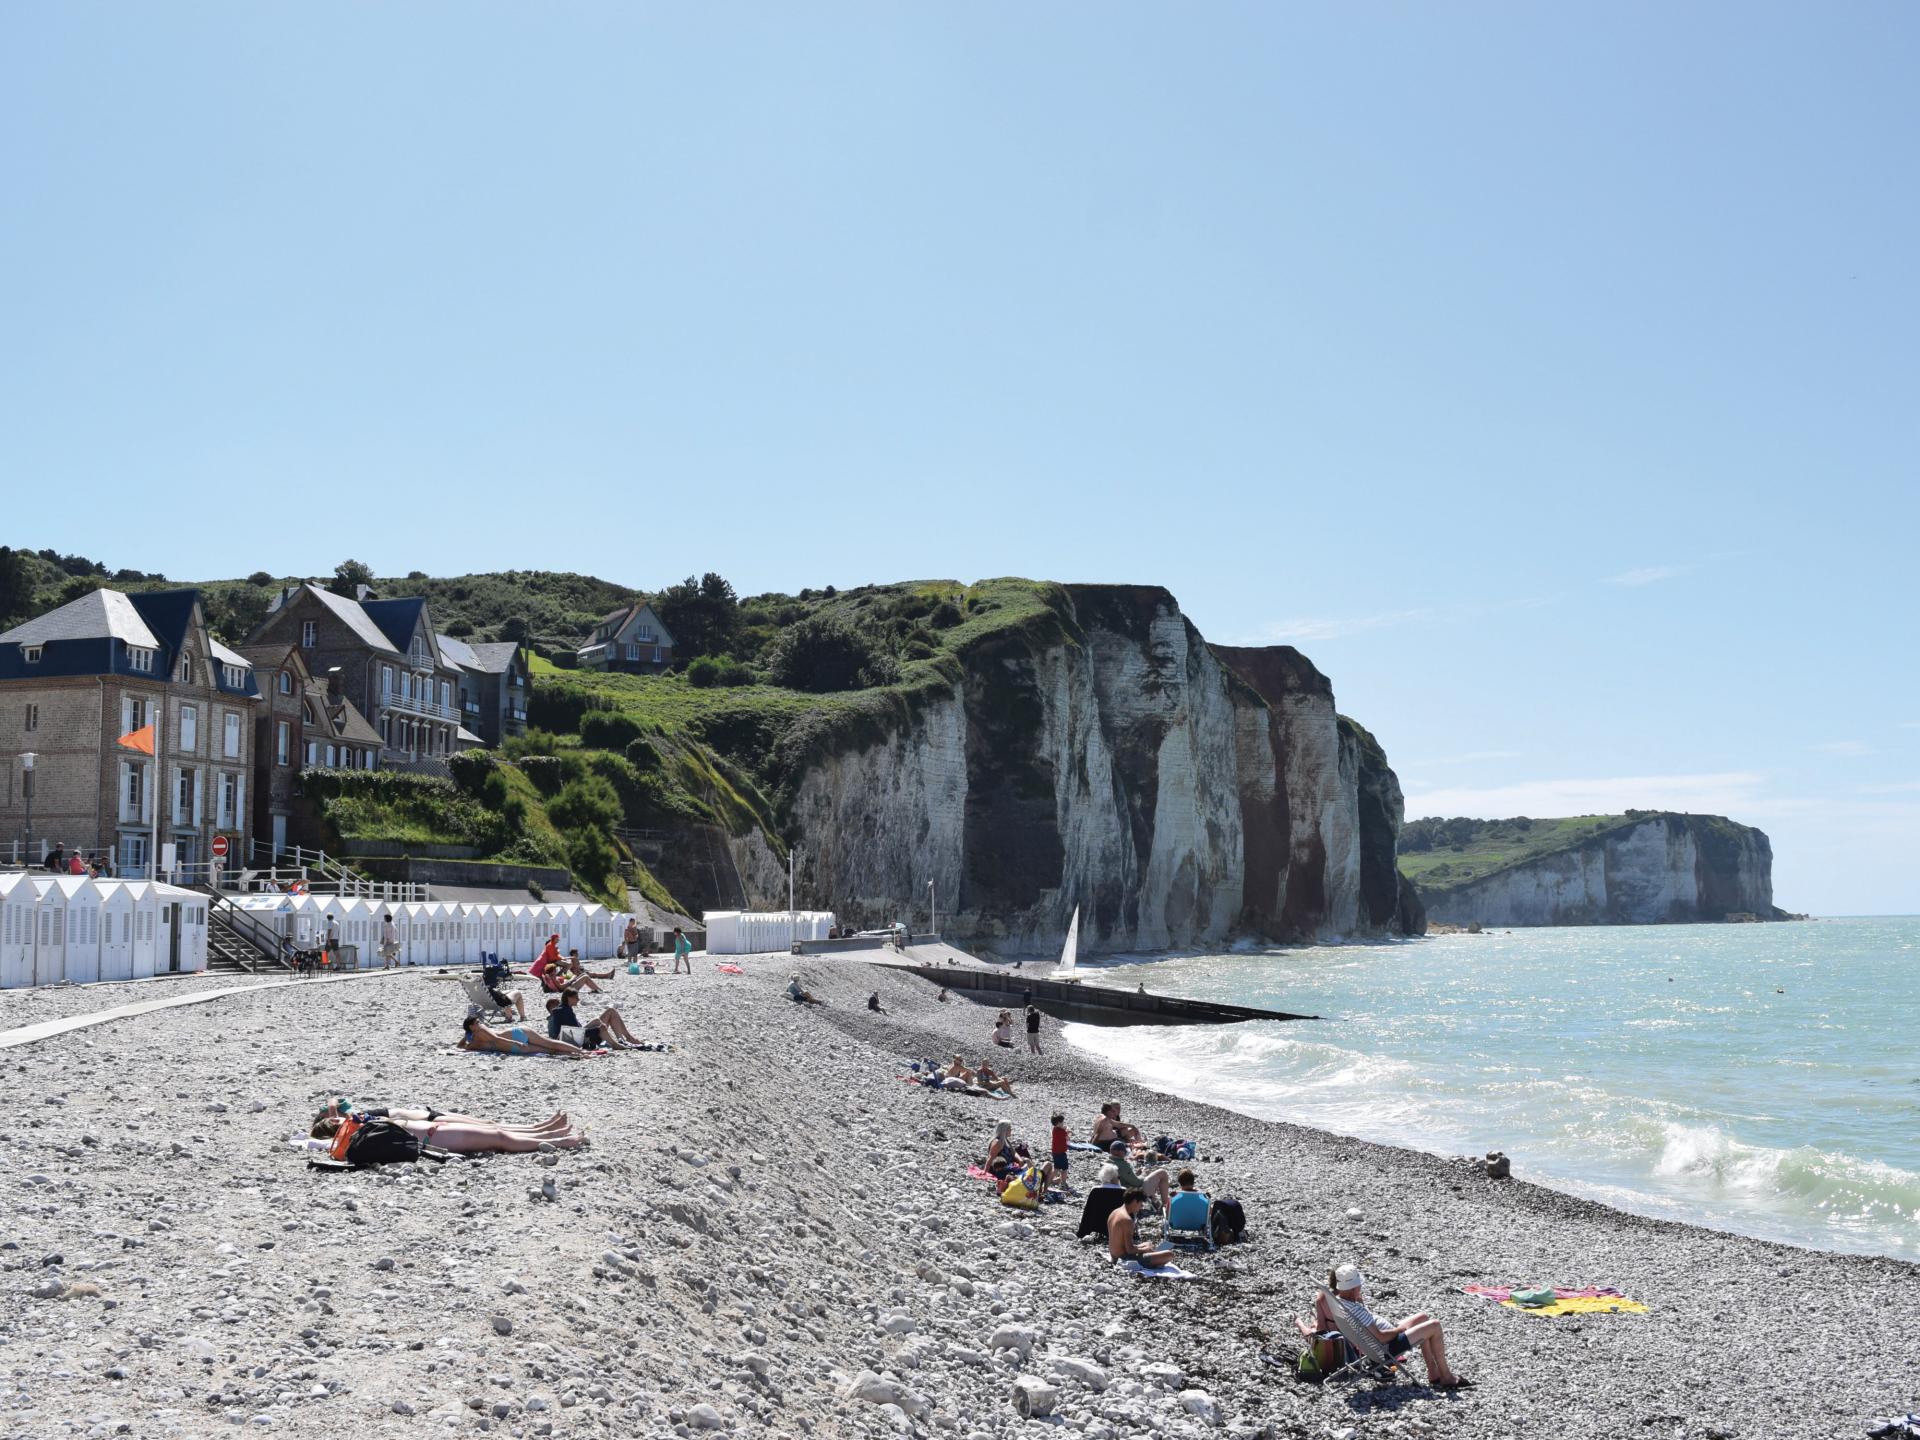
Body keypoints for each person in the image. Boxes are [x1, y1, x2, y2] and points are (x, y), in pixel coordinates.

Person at [1317, 1264, 1467, 1389]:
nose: (1361, 1287)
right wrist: (1399, 1330)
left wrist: (1358, 1300)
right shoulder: (1354, 1309)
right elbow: (1380, 1337)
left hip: (1373, 1343)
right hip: (1385, 1349)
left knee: (1423, 1317)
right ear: (1353, 1288)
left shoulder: (1340, 1302)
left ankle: (1433, 1373)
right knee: (1434, 1325)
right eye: (1359, 1285)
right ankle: (1446, 1376)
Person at [311, 1111, 585, 1155]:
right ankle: (558, 1142)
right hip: (432, 1137)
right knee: (499, 1140)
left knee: (496, 1131)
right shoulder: (354, 1132)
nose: (337, 1116)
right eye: (333, 1120)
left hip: (432, 1132)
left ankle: (546, 1132)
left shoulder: (357, 1124)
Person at [546, 987, 641, 1050]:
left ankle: (622, 1039)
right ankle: (618, 1043)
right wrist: (596, 1030)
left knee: (603, 1016)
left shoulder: (565, 1009)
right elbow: (575, 1033)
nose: (578, 1000)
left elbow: (574, 1029)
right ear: (569, 998)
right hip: (572, 1038)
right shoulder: (563, 1011)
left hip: (573, 1034)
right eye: (576, 997)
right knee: (602, 1025)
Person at [457, 1014, 586, 1058]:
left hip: (514, 1049)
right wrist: (516, 1043)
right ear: (471, 1026)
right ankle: (580, 1052)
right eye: (477, 1022)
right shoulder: (481, 1029)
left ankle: (574, 1054)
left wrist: (466, 1034)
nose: (480, 1023)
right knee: (549, 1044)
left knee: (549, 1050)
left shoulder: (473, 1044)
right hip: (516, 1037)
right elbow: (496, 1038)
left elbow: (460, 1046)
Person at [1107, 1189, 1174, 1270]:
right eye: (1141, 1204)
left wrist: (1145, 1248)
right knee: (1169, 1254)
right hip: (1124, 1258)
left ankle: (1151, 1253)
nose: (1141, 1207)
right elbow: (1130, 1250)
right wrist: (1145, 1250)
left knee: (1148, 1244)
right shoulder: (1127, 1220)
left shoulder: (1114, 1212)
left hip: (1114, 1255)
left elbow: (1122, 1243)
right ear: (1135, 1201)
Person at [1107, 1141, 1171, 1212]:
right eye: (1124, 1151)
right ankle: (1165, 1205)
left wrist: (1136, 1174)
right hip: (1130, 1193)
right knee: (1162, 1173)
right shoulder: (1122, 1164)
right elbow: (1137, 1183)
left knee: (1150, 1177)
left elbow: (1125, 1178)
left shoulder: (1108, 1162)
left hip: (1119, 1191)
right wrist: (1144, 1174)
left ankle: (1154, 1201)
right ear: (1120, 1152)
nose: (1125, 1153)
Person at [1050, 1112, 1070, 1181]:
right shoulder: (1062, 1132)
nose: (1063, 1123)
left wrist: (1064, 1130)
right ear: (1058, 1123)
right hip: (1061, 1153)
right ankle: (1063, 1182)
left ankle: (1049, 1179)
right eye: (1062, 1122)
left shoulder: (1054, 1129)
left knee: (1056, 1168)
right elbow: (1068, 1138)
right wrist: (1068, 1131)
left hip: (1055, 1152)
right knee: (1064, 1168)